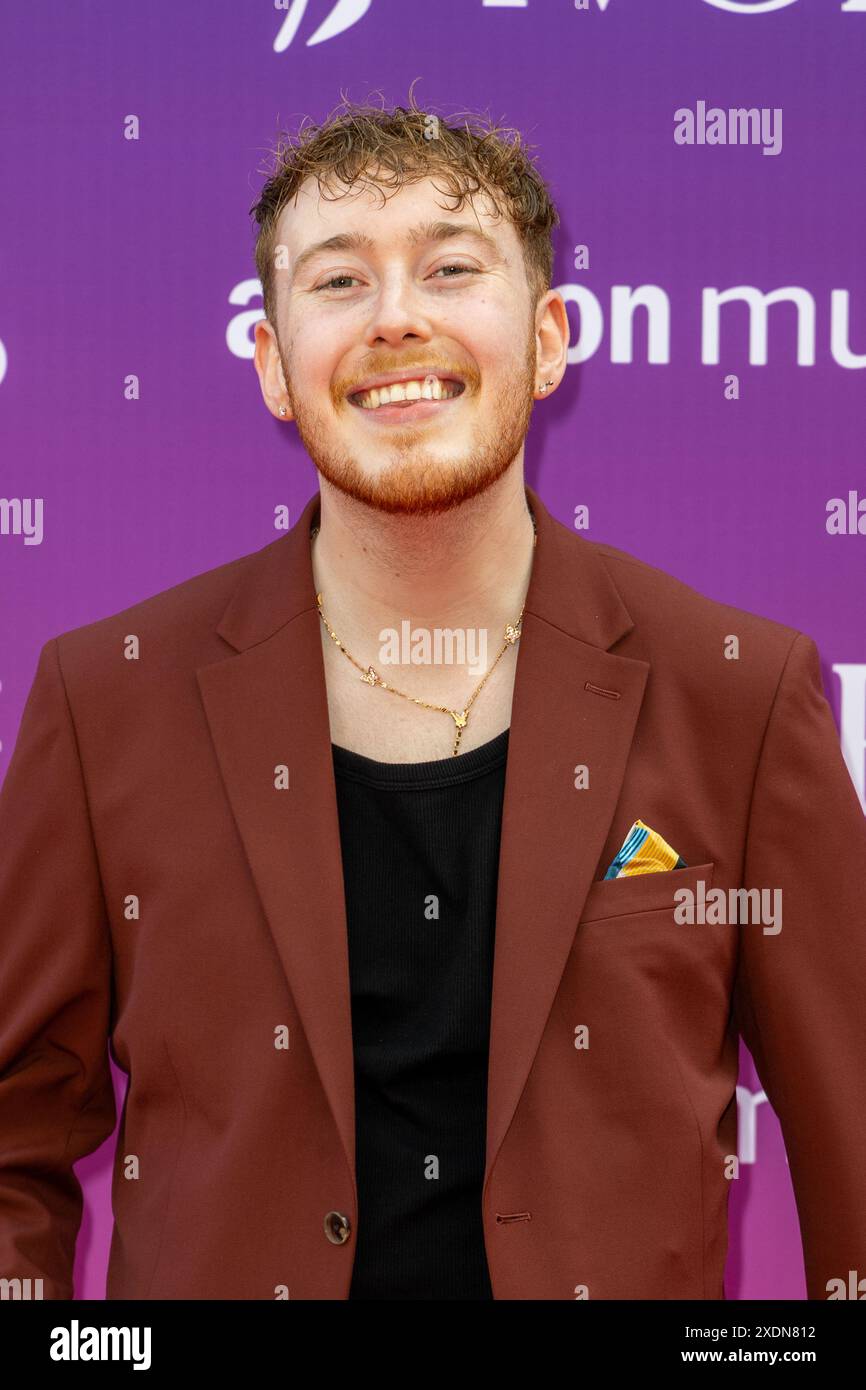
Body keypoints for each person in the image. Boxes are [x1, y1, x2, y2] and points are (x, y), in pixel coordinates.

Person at [1, 92, 865, 1302]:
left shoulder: (739, 693)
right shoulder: (104, 701)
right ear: (269, 363)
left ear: (553, 336)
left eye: (450, 267)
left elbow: (853, 1142)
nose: (396, 318)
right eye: (339, 281)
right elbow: (10, 1140)